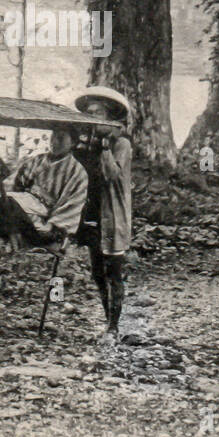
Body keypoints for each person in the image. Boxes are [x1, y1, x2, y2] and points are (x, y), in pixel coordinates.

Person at [72, 87, 133, 339]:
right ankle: (107, 316)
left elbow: (112, 176)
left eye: (97, 113)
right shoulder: (87, 146)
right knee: (97, 271)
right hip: (91, 212)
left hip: (113, 214)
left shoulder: (121, 144)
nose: (92, 117)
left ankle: (114, 324)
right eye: (89, 113)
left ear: (108, 117)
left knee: (113, 270)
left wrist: (106, 147)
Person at [0, 126, 88, 252]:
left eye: (60, 138)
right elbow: (14, 183)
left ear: (73, 143)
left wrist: (53, 226)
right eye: (53, 137)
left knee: (9, 203)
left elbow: (72, 203)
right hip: (25, 200)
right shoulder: (38, 160)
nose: (54, 142)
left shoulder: (77, 172)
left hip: (43, 210)